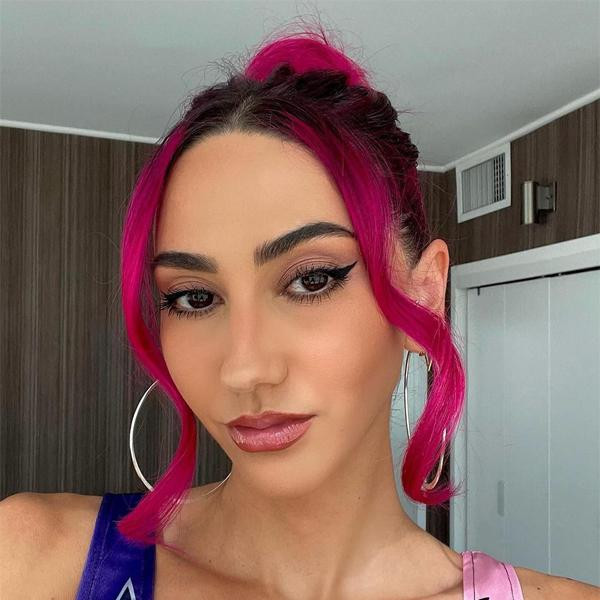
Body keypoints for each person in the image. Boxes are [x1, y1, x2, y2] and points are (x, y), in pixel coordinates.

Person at [1, 23, 598, 600]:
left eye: (312, 280)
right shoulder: (31, 560)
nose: (245, 368)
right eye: (194, 297)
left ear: (424, 295)